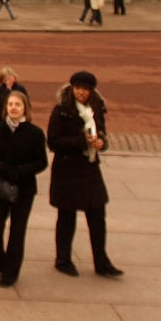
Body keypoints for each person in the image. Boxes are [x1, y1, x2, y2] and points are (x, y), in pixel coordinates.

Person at [48, 70, 123, 278]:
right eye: (78, 88)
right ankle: (63, 260)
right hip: (67, 170)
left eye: (85, 89)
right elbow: (53, 142)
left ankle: (102, 262)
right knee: (67, 216)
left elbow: (102, 133)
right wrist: (82, 141)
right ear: (72, 88)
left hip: (90, 168)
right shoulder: (61, 110)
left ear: (91, 91)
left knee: (97, 215)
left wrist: (101, 143)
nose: (81, 92)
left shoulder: (96, 109)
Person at [0, 90, 48, 287]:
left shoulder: (35, 133)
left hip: (23, 188)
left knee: (17, 231)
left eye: (18, 104)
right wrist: (1, 168)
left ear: (25, 108)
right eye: (10, 104)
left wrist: (20, 171)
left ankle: (11, 271)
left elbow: (41, 161)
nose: (14, 108)